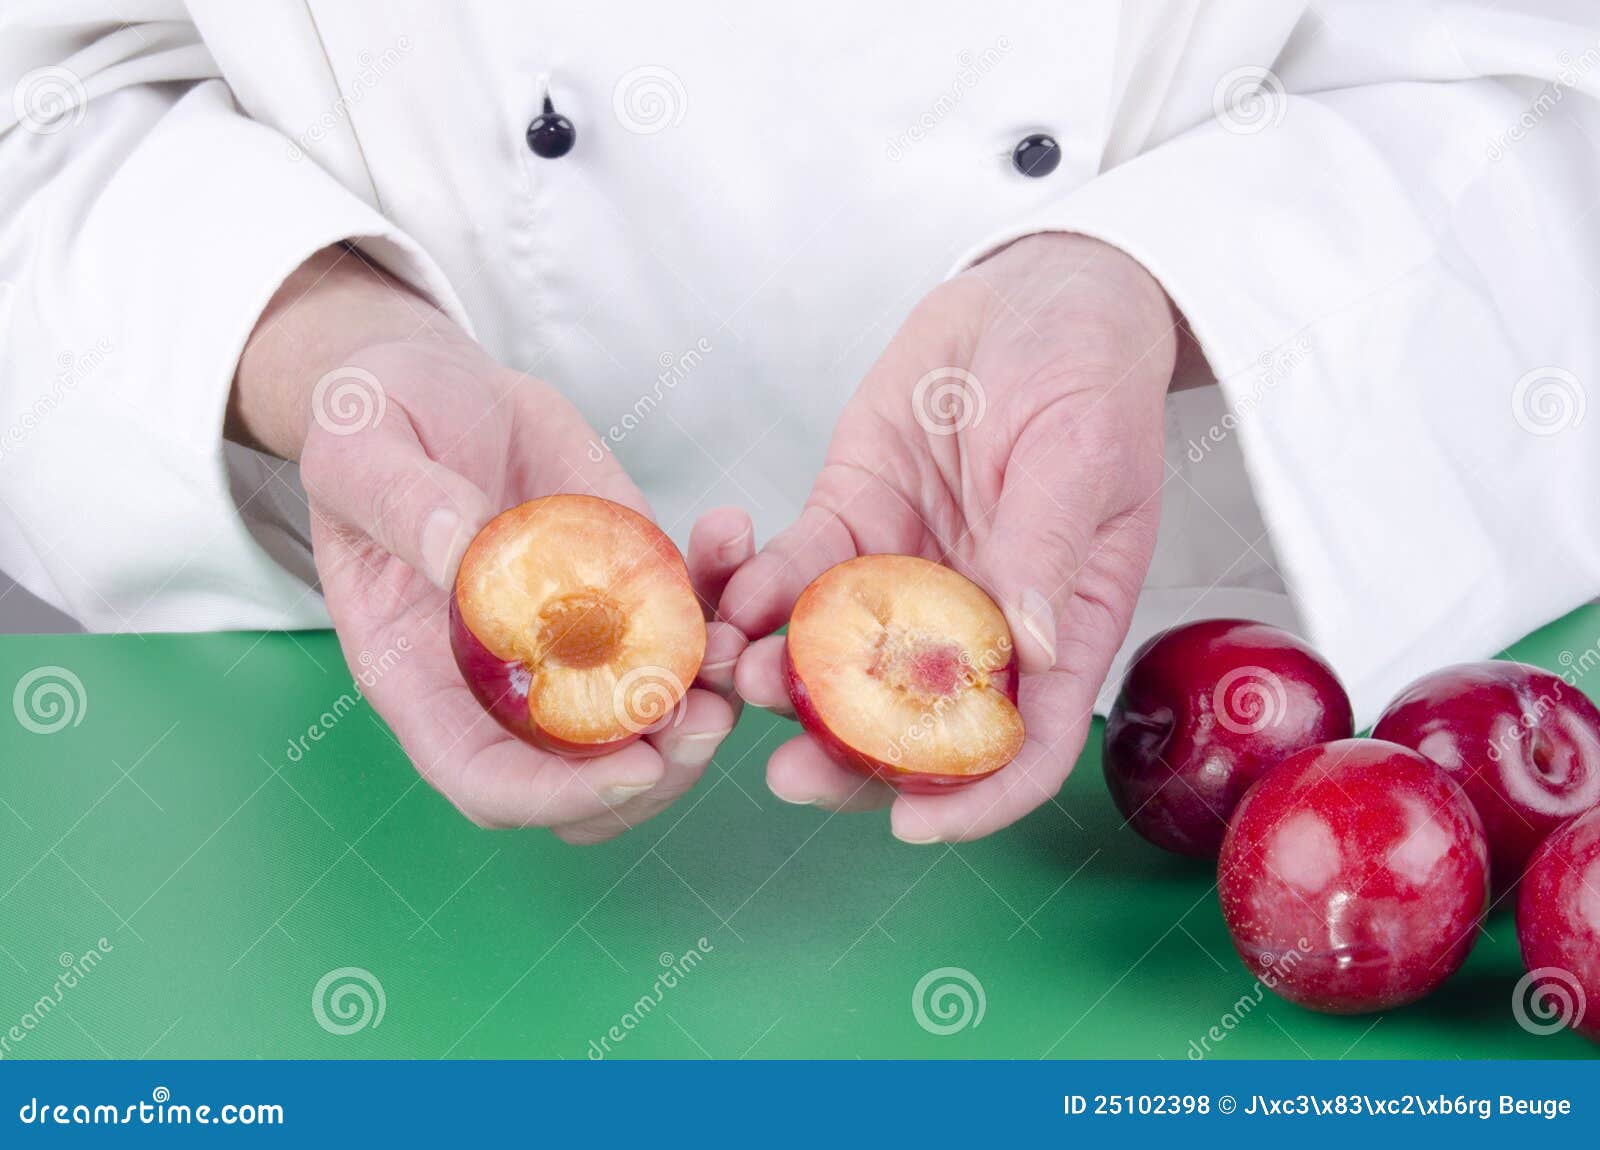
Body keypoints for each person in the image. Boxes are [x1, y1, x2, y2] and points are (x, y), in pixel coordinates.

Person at [3, 3, 1597, 845]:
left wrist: (1151, 284)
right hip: (313, 737)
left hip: (1180, 708)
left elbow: (1547, 91)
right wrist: (314, 339)